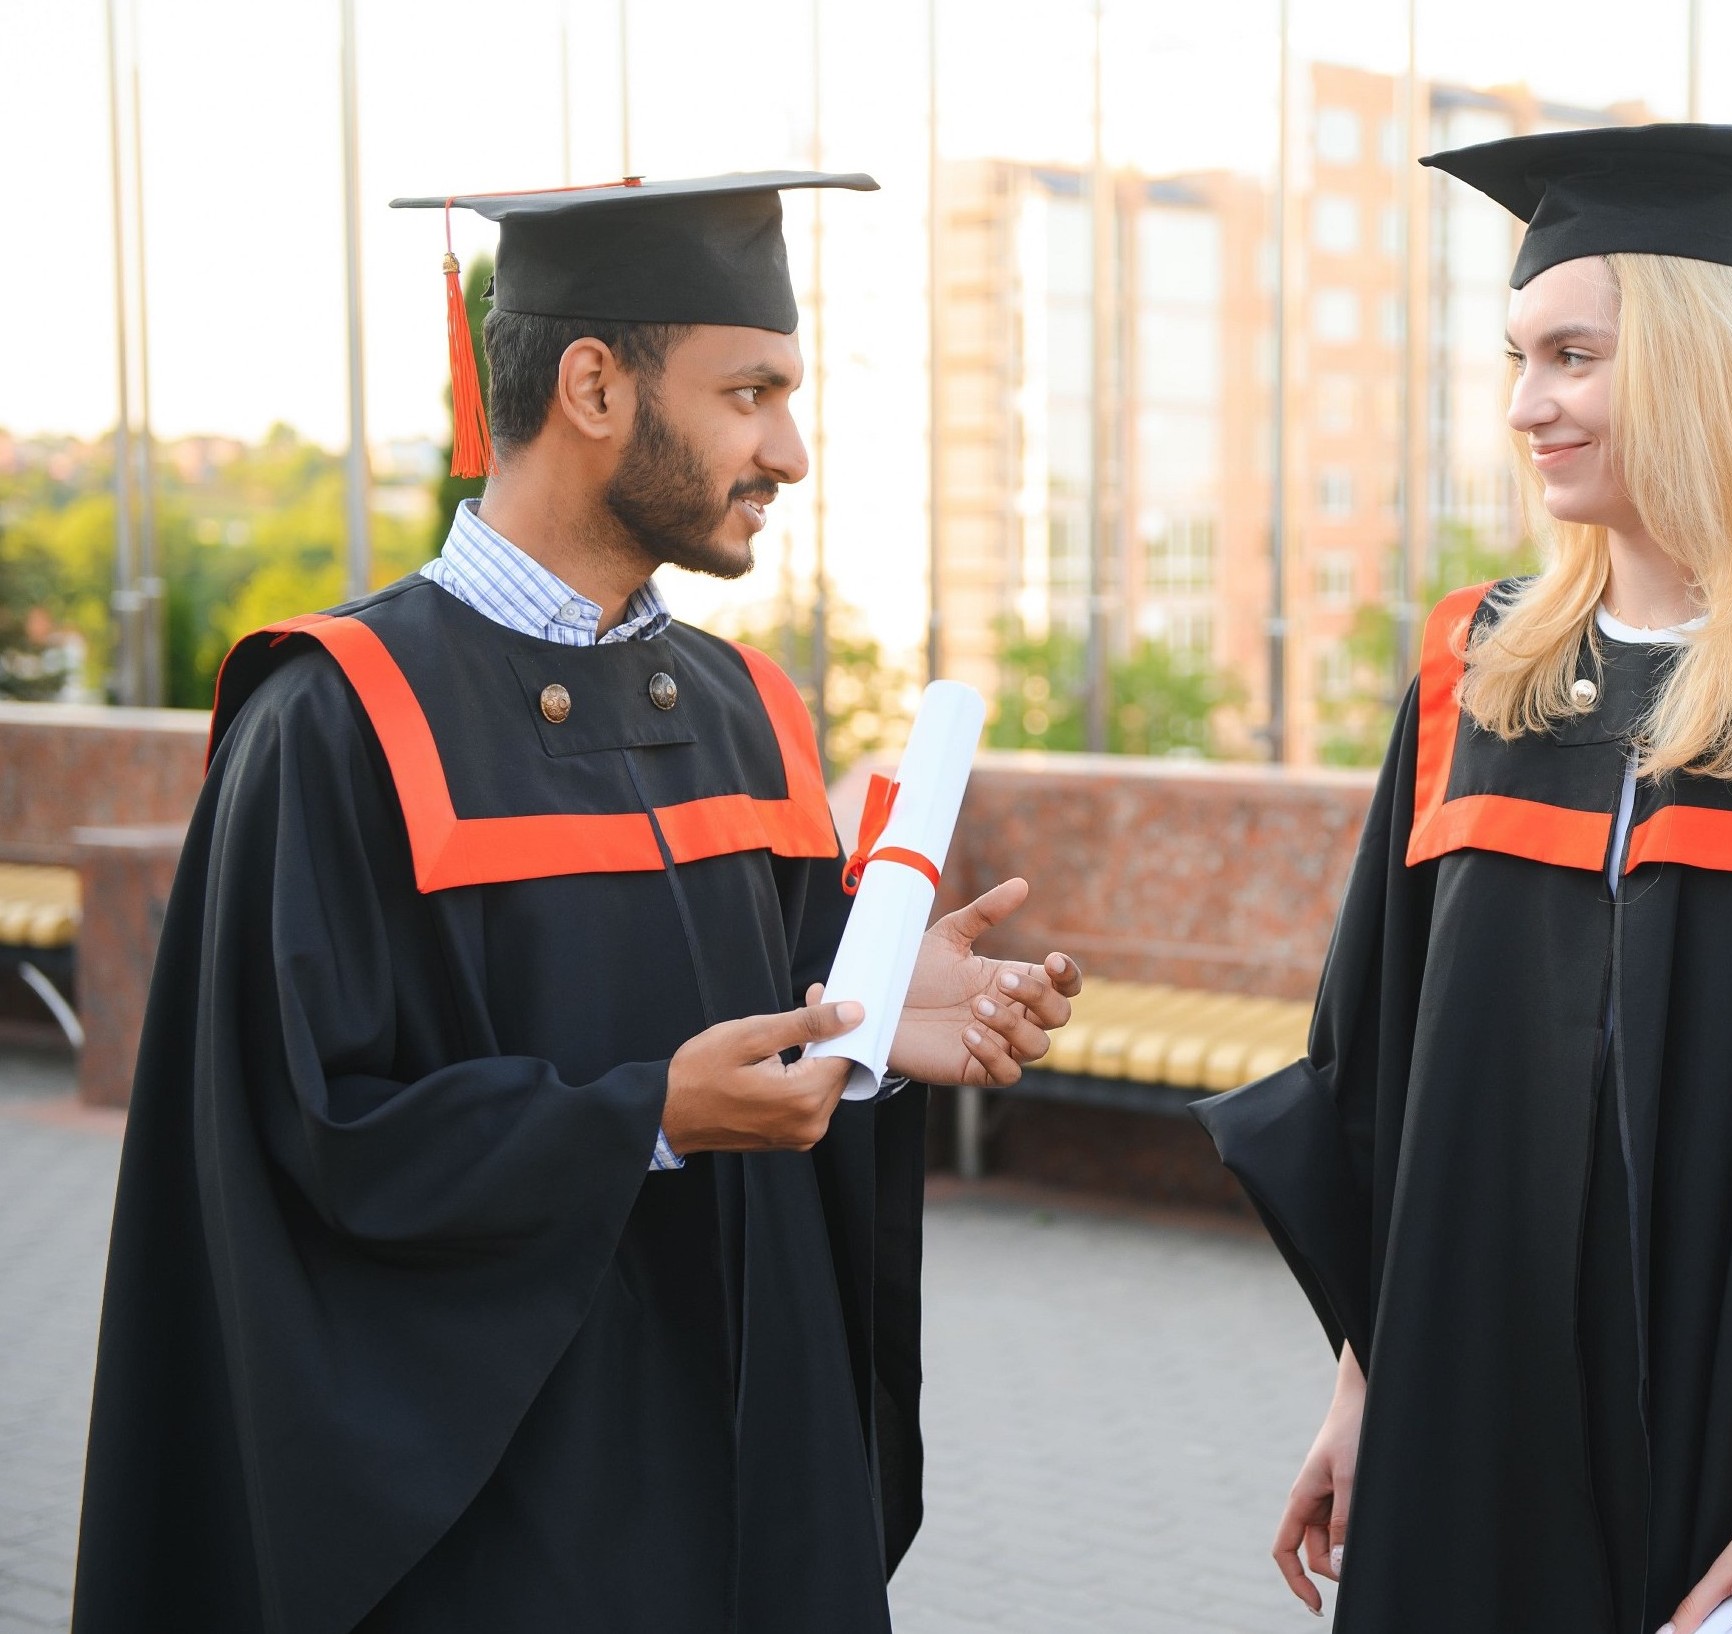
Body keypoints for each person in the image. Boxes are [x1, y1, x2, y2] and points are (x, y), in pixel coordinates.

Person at [73, 172, 1081, 1634]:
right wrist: (648, 1118)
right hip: (508, 1515)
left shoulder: (743, 711)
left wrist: (872, 1013)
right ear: (595, 386)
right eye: (750, 392)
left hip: (744, 1485)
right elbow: (302, 1142)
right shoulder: (339, 724)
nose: (788, 450)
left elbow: (771, 1034)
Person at [1194, 126, 1732, 1634]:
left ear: (1705, 365)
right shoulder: (1478, 674)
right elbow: (1391, 1094)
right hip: (1466, 1425)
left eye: (1575, 357)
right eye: (1518, 356)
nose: (1527, 405)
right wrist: (1365, 1392)